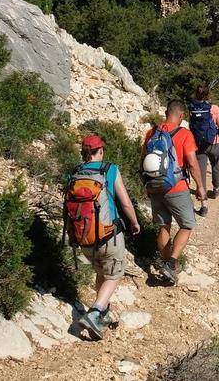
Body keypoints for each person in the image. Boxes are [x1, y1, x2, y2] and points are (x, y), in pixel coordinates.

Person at [67, 134, 140, 340]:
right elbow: (125, 203)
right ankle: (96, 311)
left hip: (84, 238)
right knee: (115, 273)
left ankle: (103, 315)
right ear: (100, 151)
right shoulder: (110, 170)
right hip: (109, 236)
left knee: (102, 272)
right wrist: (134, 222)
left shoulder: (74, 174)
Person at [142, 100, 206, 284]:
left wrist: (148, 186)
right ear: (181, 116)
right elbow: (192, 163)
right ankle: (170, 264)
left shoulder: (152, 133)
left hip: (154, 186)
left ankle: (166, 264)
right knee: (187, 225)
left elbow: (143, 161)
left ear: (165, 112)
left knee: (164, 227)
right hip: (176, 187)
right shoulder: (184, 134)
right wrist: (200, 186)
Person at [187, 85, 219, 216]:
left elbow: (192, 126)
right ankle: (217, 187)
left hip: (199, 146)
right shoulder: (214, 108)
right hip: (214, 143)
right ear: (208, 95)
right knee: (216, 165)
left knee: (200, 174)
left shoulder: (192, 108)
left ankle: (204, 206)